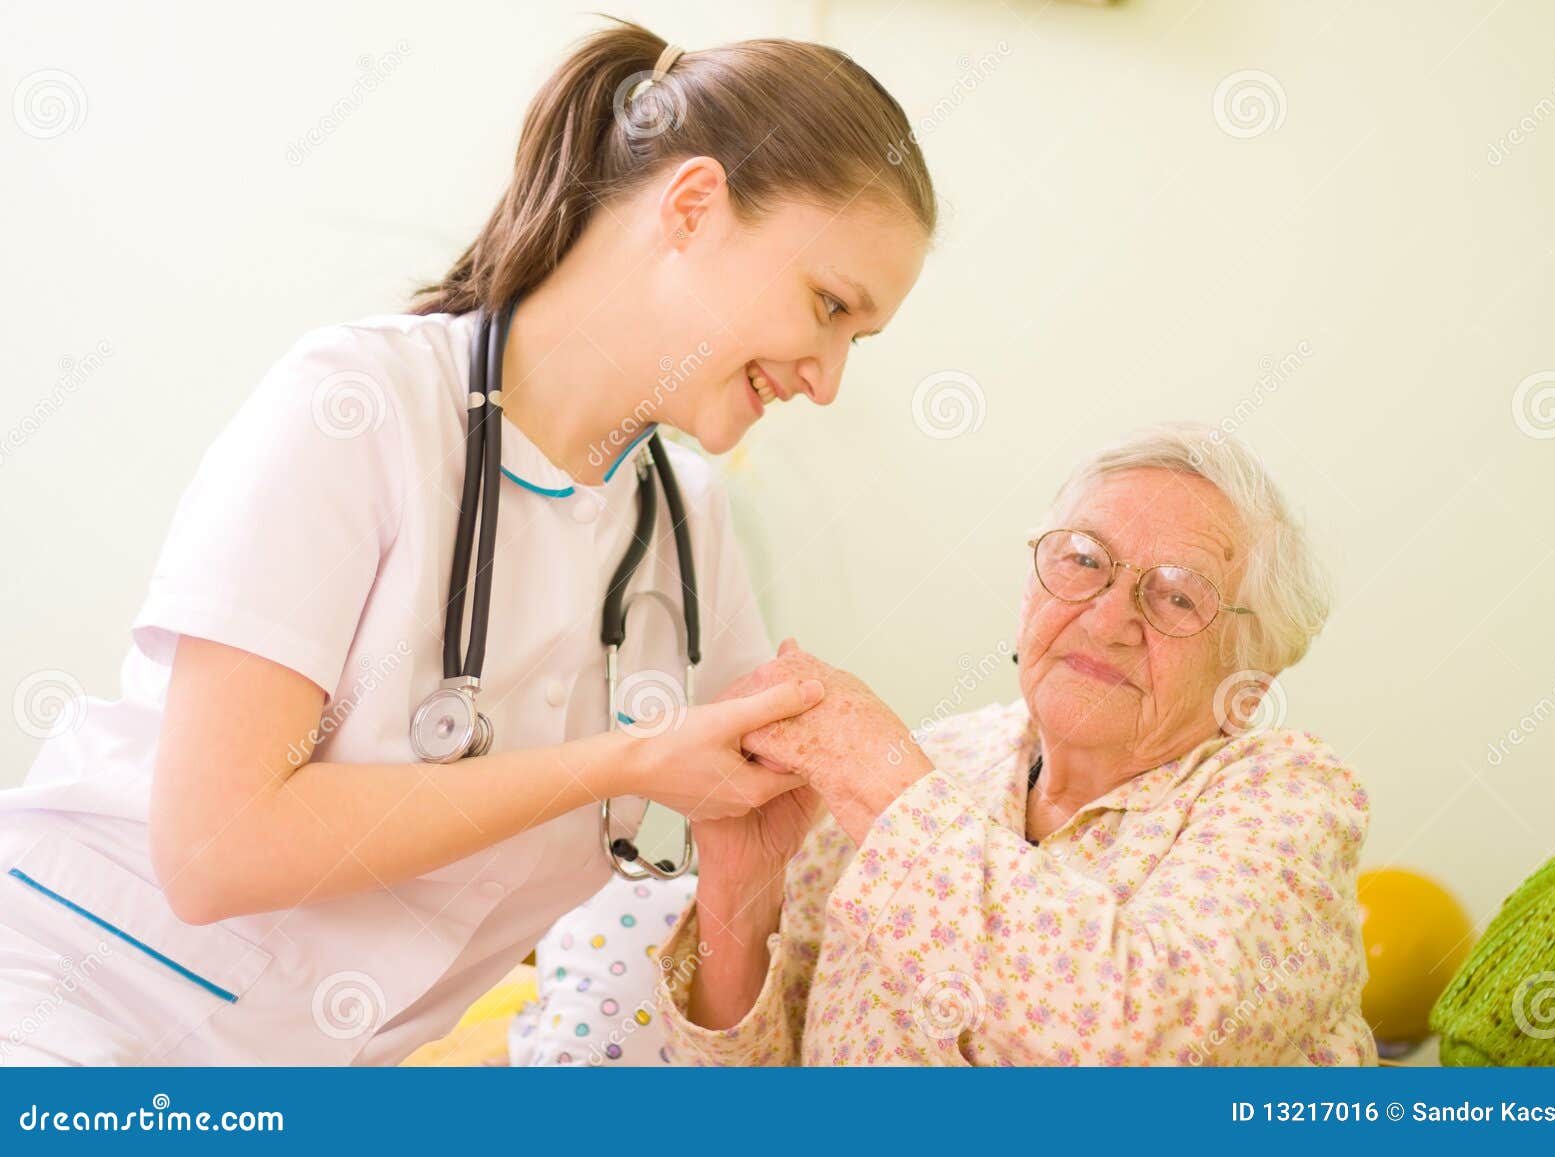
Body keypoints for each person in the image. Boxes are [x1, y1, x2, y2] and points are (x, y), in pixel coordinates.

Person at [0, 18, 933, 1066]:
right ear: (693, 206)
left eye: (857, 339)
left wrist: (742, 879)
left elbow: (721, 1000)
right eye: (828, 305)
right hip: (69, 1003)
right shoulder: (359, 404)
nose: (827, 379)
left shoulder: (689, 526)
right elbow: (215, 850)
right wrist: (623, 760)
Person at [655, 423, 1380, 1066]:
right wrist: (739, 892)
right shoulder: (937, 760)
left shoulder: (1289, 795)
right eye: (1084, 560)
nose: (1106, 620)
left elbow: (1146, 1046)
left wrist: (872, 772)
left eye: (1179, 596)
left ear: (1250, 683)